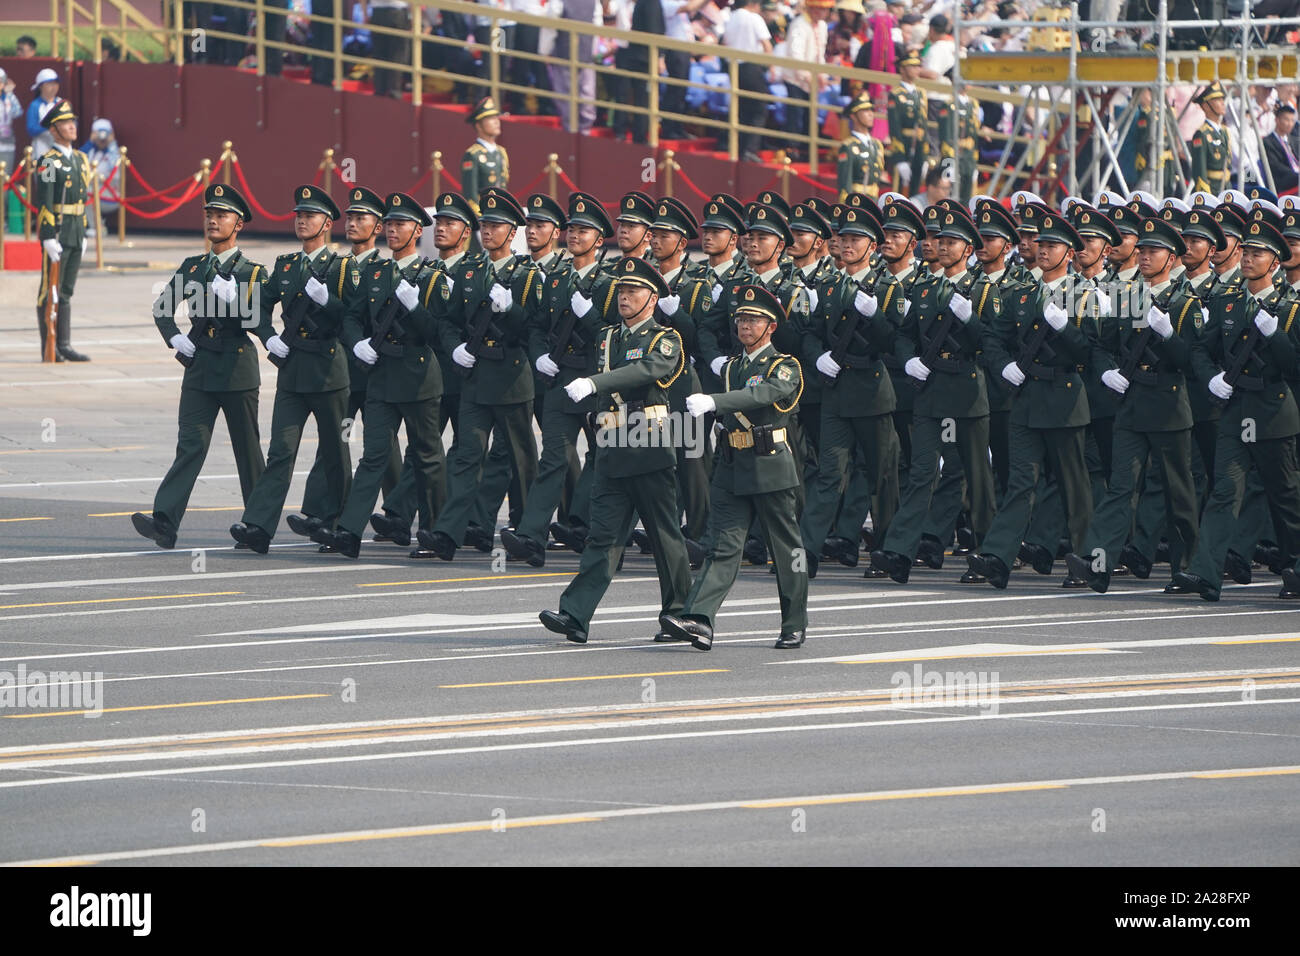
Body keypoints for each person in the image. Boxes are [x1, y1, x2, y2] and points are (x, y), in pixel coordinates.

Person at [538, 256, 693, 645]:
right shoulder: (607, 337)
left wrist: (594, 383)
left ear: (653, 297)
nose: (624, 297)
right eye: (621, 290)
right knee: (602, 535)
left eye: (633, 291)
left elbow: (646, 372)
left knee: (664, 535)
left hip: (648, 442)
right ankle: (575, 614)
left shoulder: (665, 339)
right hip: (611, 444)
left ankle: (679, 614)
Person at [661, 285, 808, 651]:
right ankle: (699, 619)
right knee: (722, 547)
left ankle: (794, 622)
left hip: (769, 466)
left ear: (770, 326)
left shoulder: (784, 366)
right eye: (741, 318)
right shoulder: (731, 367)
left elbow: (764, 396)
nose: (745, 325)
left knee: (786, 549)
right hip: (731, 467)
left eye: (754, 319)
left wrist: (715, 400)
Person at [1066, 216, 1203, 594]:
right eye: (1140, 249)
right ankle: (1097, 564)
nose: (1143, 256)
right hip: (1131, 405)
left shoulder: (1186, 301)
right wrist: (1107, 371)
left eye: (1153, 250)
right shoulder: (1126, 299)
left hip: (1169, 407)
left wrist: (1170, 334)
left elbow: (1191, 360)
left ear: (1172, 257)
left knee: (1178, 492)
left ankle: (1189, 567)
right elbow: (1100, 344)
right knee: (1120, 488)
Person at [967, 212, 1100, 589]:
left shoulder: (1086, 295)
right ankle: (997, 555)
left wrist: (1066, 328)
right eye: (1040, 245)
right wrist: (1003, 366)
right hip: (1026, 399)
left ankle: (1087, 559)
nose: (1042, 251)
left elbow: (1090, 353)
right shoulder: (1022, 293)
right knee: (1021, 482)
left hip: (1065, 398)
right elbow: (994, 338)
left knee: (1074, 485)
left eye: (1052, 246)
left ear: (1070, 253)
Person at [315, 192, 451, 559]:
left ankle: (435, 532)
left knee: (426, 456)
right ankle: (348, 531)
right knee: (373, 456)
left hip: (420, 377)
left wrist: (416, 308)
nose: (392, 230)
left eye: (400, 224)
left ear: (417, 230)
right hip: (381, 377)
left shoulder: (433, 276)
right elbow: (350, 317)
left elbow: (438, 332)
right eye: (388, 224)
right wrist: (357, 342)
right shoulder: (375, 272)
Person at [132, 183, 268, 550]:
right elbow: (163, 307)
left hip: (237, 368)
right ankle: (165, 521)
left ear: (238, 224)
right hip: (199, 367)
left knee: (247, 448)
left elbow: (260, 321)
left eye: (221, 215)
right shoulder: (193, 267)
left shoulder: (253, 272)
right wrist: (174, 338)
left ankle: (258, 524)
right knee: (190, 445)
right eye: (209, 214)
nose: (212, 220)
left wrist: (236, 301)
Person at [872, 203, 1000, 583]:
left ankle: (988, 551)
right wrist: (909, 359)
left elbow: (993, 343)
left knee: (976, 477)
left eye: (952, 241)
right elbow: (904, 337)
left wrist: (971, 320)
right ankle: (899, 550)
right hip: (931, 395)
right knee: (923, 473)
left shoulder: (983, 289)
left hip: (967, 394)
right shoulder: (924, 287)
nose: (942, 246)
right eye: (939, 240)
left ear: (968, 248)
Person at [1174, 220, 1300, 601]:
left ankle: (1295, 566)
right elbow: (1200, 348)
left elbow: (1294, 366)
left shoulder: (1290, 307)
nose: (1247, 259)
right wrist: (1211, 377)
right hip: (1235, 409)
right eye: (1245, 252)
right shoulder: (1227, 301)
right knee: (1225, 490)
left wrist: (1275, 334)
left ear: (1275, 263)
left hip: (1274, 412)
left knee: (1285, 496)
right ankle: (1206, 573)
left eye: (1256, 254)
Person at [417, 188, 542, 560]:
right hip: (474, 378)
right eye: (484, 225)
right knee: (467, 457)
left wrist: (513, 312)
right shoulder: (471, 272)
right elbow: (448, 321)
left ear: (512, 231)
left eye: (496, 226)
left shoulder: (528, 275)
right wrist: (455, 346)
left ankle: (529, 531)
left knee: (521, 461)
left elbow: (538, 327)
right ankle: (448, 532)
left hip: (511, 378)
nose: (487, 232)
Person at [229, 185, 355, 554]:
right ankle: (258, 526)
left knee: (336, 450)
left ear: (327, 222)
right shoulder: (286, 266)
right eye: (299, 215)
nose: (301, 220)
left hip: (331, 371)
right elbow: (256, 309)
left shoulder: (343, 267)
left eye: (310, 216)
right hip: (293, 370)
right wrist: (269, 338)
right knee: (281, 451)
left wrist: (328, 301)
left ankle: (336, 525)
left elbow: (353, 318)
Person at [502, 192, 616, 565]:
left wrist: (592, 319)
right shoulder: (556, 279)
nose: (574, 236)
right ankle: (531, 535)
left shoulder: (610, 283)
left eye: (583, 231)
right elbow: (536, 326)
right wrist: (540, 357)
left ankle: (583, 523)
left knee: (603, 454)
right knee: (554, 456)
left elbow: (620, 335)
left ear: (599, 240)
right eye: (571, 229)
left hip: (599, 379)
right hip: (562, 376)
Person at [799, 201, 903, 578]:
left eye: (856, 238)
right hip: (836, 392)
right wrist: (819, 357)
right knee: (830, 474)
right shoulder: (827, 286)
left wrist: (874, 316)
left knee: (881, 475)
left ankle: (888, 549)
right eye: (843, 237)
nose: (846, 244)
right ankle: (806, 552)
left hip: (873, 392)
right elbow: (810, 333)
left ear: (872, 246)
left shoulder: (887, 287)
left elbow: (893, 341)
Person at [295, 185, 399, 549]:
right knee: (335, 439)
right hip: (340, 369)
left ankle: (399, 514)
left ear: (378, 225)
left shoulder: (385, 268)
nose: (353, 224)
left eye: (362, 218)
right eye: (350, 217)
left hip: (375, 368)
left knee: (380, 445)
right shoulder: (336, 265)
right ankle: (326, 516)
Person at [34, 99, 92, 363]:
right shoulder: (48, 162)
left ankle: (64, 344)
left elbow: (83, 198)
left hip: (76, 230)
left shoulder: (81, 159)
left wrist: (86, 230)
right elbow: (44, 202)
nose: (72, 127)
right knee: (50, 290)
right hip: (57, 232)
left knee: (66, 290)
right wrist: (46, 236)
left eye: (73, 122)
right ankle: (49, 346)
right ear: (54, 130)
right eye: (66, 123)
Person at [780, 0, 831, 158]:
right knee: (796, 113)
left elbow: (820, 52)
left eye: (826, 10)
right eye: (822, 9)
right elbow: (796, 53)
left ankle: (807, 148)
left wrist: (822, 74)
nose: (824, 13)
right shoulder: (799, 24)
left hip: (812, 78)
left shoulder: (822, 26)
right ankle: (792, 148)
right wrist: (806, 75)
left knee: (810, 114)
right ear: (812, 9)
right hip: (795, 78)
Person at [724, 0, 774, 163]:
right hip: (751, 68)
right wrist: (770, 67)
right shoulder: (754, 18)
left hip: (733, 67)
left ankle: (739, 149)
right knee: (759, 108)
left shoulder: (731, 18)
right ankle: (750, 150)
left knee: (743, 109)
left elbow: (725, 43)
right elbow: (767, 45)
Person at [661, 0, 710, 140]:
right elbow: (689, 6)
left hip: (683, 50)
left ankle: (677, 128)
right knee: (675, 90)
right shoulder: (666, 3)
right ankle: (669, 129)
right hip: (675, 49)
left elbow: (695, 6)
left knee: (681, 91)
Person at [460, 96, 510, 220]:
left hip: (500, 214)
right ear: (478, 125)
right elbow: (470, 194)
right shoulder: (473, 155)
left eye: (496, 118)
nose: (496, 122)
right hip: (484, 216)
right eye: (490, 119)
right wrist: (480, 216)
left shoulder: (501, 152)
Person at [887, 49, 927, 194]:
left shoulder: (921, 93)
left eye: (918, 66)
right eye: (912, 66)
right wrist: (899, 158)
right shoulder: (896, 94)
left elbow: (923, 124)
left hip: (918, 145)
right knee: (898, 191)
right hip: (903, 143)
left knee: (915, 190)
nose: (917, 70)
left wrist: (924, 155)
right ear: (902, 69)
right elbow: (894, 126)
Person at [837, 90, 883, 201]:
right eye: (865, 110)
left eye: (871, 110)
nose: (871, 114)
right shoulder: (848, 147)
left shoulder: (877, 145)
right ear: (853, 116)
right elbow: (845, 183)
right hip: (857, 201)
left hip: (874, 200)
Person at [1189, 82, 1232, 195]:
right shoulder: (1202, 134)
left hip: (1225, 186)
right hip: (1211, 189)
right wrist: (1204, 193)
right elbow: (1199, 169)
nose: (1223, 103)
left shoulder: (1224, 131)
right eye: (1217, 100)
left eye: (1222, 99)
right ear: (1206, 106)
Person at [79, 118, 121, 232]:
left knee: (87, 193)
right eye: (99, 134)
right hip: (94, 189)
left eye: (105, 134)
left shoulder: (116, 153)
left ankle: (97, 228)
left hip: (111, 195)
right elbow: (76, 160)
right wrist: (90, 142)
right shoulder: (91, 151)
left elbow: (116, 176)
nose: (102, 138)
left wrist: (111, 143)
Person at [369, 0, 412, 98]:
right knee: (398, 55)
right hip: (397, 12)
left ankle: (379, 90)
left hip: (377, 12)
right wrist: (412, 17)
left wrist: (365, 13)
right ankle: (394, 91)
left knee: (379, 54)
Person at [1263, 103, 1300, 196]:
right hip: (1282, 180)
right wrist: (1296, 175)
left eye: (1292, 120)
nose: (1290, 124)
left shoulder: (1294, 140)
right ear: (1277, 120)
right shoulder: (1268, 142)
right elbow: (1275, 166)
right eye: (1287, 120)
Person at [26, 68, 60, 159]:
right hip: (42, 151)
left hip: (60, 151)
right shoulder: (35, 105)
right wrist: (49, 124)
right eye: (49, 84)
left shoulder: (62, 103)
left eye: (56, 83)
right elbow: (31, 129)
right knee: (46, 173)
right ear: (40, 86)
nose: (54, 87)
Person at [0, 68, 22, 177]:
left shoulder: (10, 98)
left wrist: (9, 94)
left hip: (7, 143)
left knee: (6, 176)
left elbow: (18, 112)